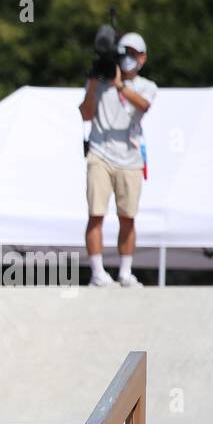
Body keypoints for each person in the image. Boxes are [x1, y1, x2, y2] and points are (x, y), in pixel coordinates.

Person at [79, 32, 156, 287]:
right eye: (124, 54)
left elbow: (143, 106)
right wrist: (93, 82)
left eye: (133, 55)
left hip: (130, 157)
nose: (127, 60)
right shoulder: (99, 83)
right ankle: (98, 272)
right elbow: (86, 113)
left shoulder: (147, 86)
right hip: (100, 153)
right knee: (96, 213)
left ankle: (125, 272)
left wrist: (120, 84)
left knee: (128, 216)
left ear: (142, 58)